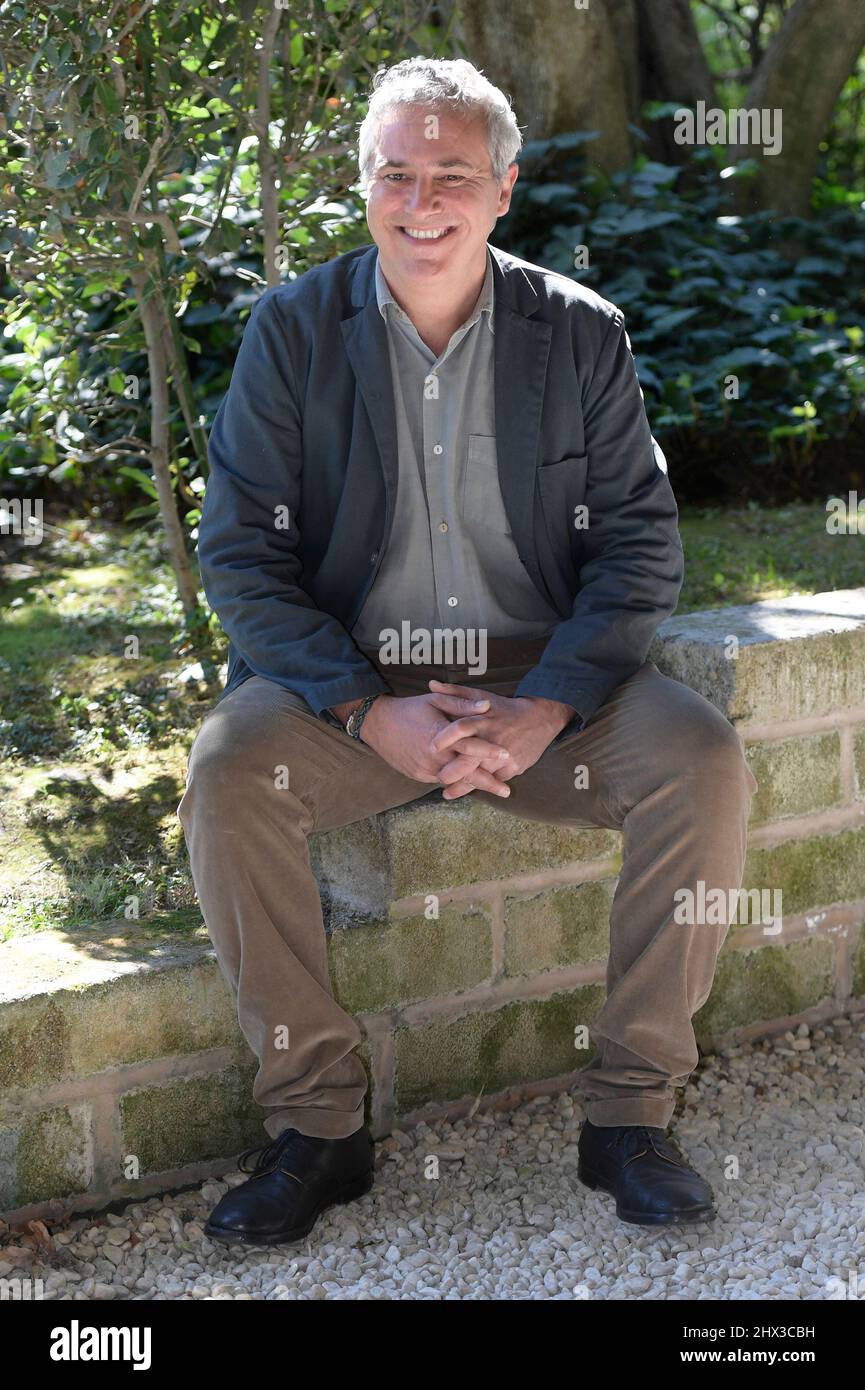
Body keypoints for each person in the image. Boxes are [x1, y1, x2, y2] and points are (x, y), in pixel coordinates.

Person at [177, 56, 757, 1245]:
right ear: (365, 188)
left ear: (502, 190)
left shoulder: (579, 333)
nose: (420, 201)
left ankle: (630, 1116)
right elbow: (239, 556)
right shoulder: (293, 333)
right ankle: (320, 1126)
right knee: (232, 772)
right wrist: (355, 707)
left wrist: (548, 704)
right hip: (353, 684)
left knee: (698, 762)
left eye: (450, 174)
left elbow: (639, 552)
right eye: (396, 173)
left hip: (546, 687)